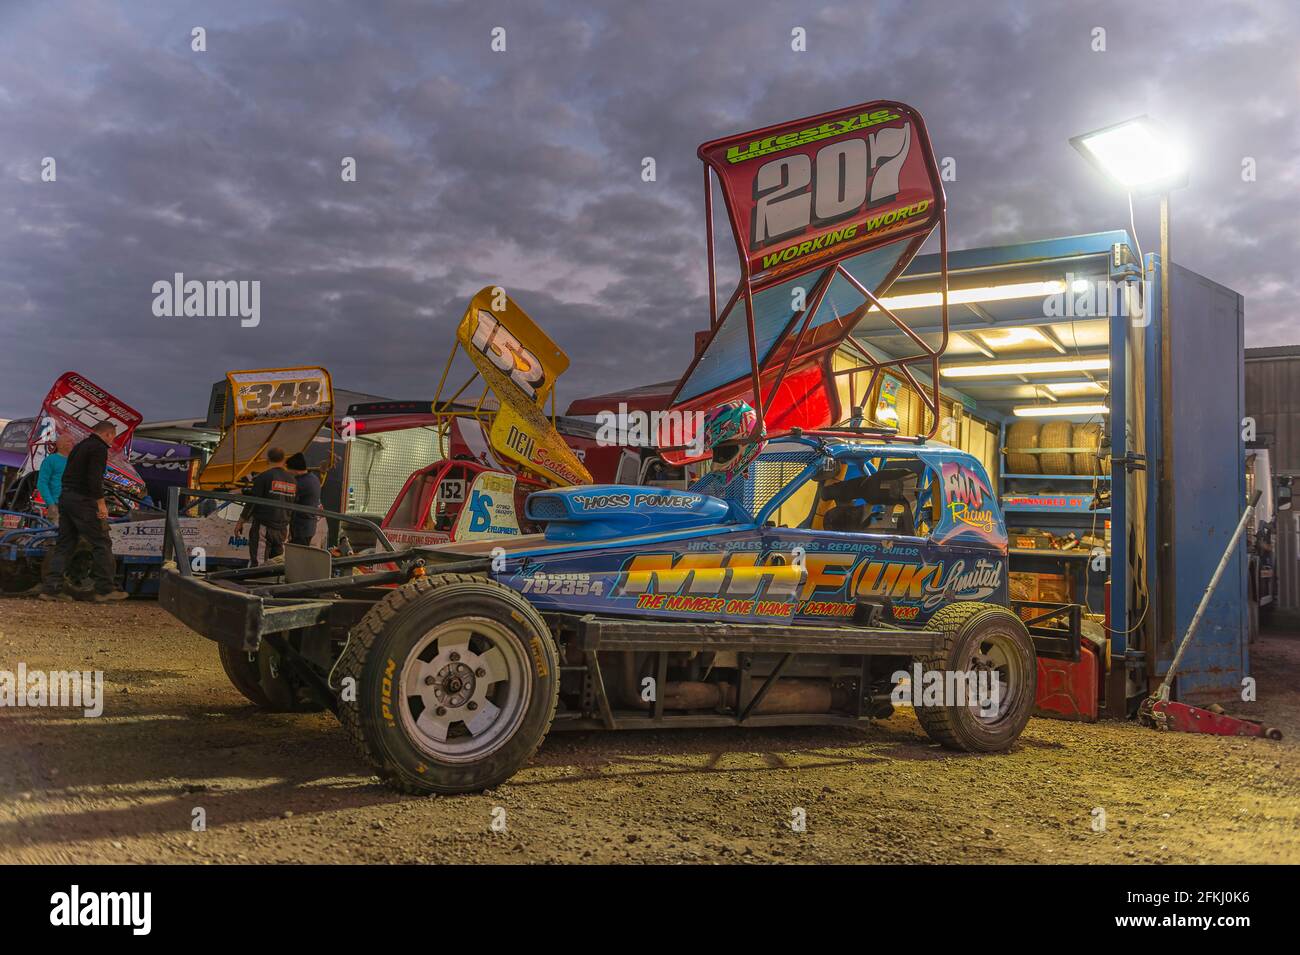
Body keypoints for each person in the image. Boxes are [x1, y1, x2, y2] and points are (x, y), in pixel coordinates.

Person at [39, 423, 128, 603]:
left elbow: (67, 475)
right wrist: (101, 504)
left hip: (66, 498)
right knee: (101, 542)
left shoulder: (80, 447)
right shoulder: (98, 448)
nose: (112, 440)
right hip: (83, 501)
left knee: (65, 544)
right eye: (112, 436)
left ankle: (51, 589)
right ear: (108, 434)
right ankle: (105, 590)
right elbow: (94, 479)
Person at [233, 447, 295, 564]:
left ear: (268, 459)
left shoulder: (264, 477)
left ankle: (257, 581)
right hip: (283, 529)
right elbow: (293, 506)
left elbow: (253, 501)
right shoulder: (292, 480)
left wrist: (240, 522)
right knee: (277, 563)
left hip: (264, 527)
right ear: (284, 460)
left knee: (259, 562)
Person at [36, 432, 75, 524]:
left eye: (73, 441)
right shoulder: (50, 460)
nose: (73, 443)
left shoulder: (75, 460)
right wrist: (50, 504)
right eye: (69, 441)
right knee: (54, 535)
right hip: (57, 505)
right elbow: (42, 483)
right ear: (60, 445)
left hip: (74, 504)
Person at [285, 452, 322, 546]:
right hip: (307, 526)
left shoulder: (301, 483)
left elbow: (286, 498)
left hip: (301, 527)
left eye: (288, 469)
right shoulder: (313, 478)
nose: (288, 472)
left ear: (294, 470)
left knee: (297, 555)